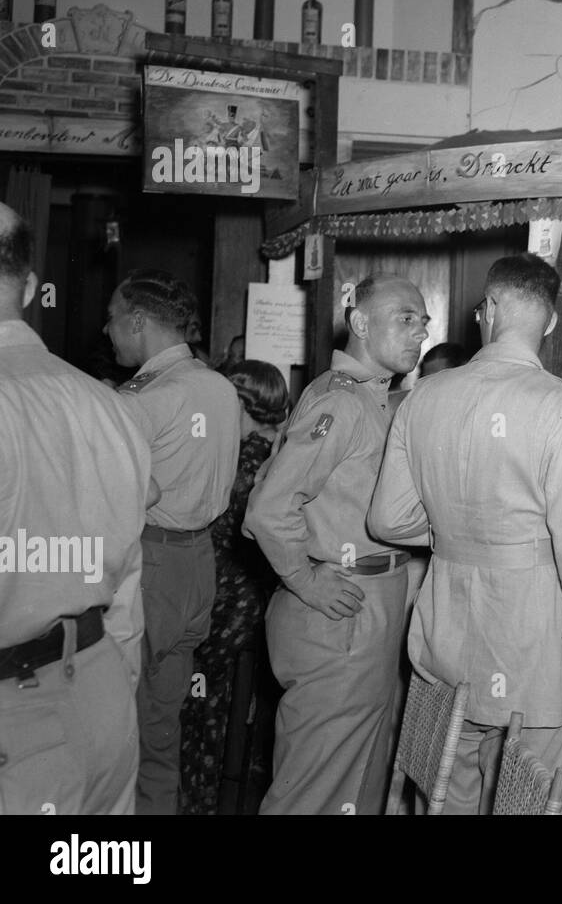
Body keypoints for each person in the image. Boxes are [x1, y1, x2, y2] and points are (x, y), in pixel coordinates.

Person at [368, 253, 562, 815]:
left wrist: (459, 529)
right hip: (535, 649)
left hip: (445, 637)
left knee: (443, 796)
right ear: (553, 323)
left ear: (486, 311)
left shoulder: (423, 397)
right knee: (524, 800)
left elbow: (388, 519)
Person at [244, 274, 429, 815]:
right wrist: (303, 578)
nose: (419, 332)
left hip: (369, 601)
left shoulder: (368, 398)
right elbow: (269, 507)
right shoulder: (343, 404)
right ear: (360, 323)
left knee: (355, 781)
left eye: (423, 321)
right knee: (317, 787)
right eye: (405, 318)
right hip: (339, 606)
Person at [0, 205, 151, 815]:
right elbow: (129, 586)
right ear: (33, 288)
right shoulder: (110, 406)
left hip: (18, 716)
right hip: (102, 692)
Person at [107, 268, 241, 815]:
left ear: (138, 321)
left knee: (123, 728)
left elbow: (111, 491)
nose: (107, 332)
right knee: (162, 730)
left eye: (113, 321)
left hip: (150, 564)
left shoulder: (142, 399)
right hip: (199, 563)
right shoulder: (219, 385)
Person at [179, 360, 288, 815]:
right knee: (229, 711)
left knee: (208, 712)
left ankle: (203, 801)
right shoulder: (270, 453)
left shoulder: (243, 457)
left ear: (239, 402)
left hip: (227, 603)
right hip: (249, 601)